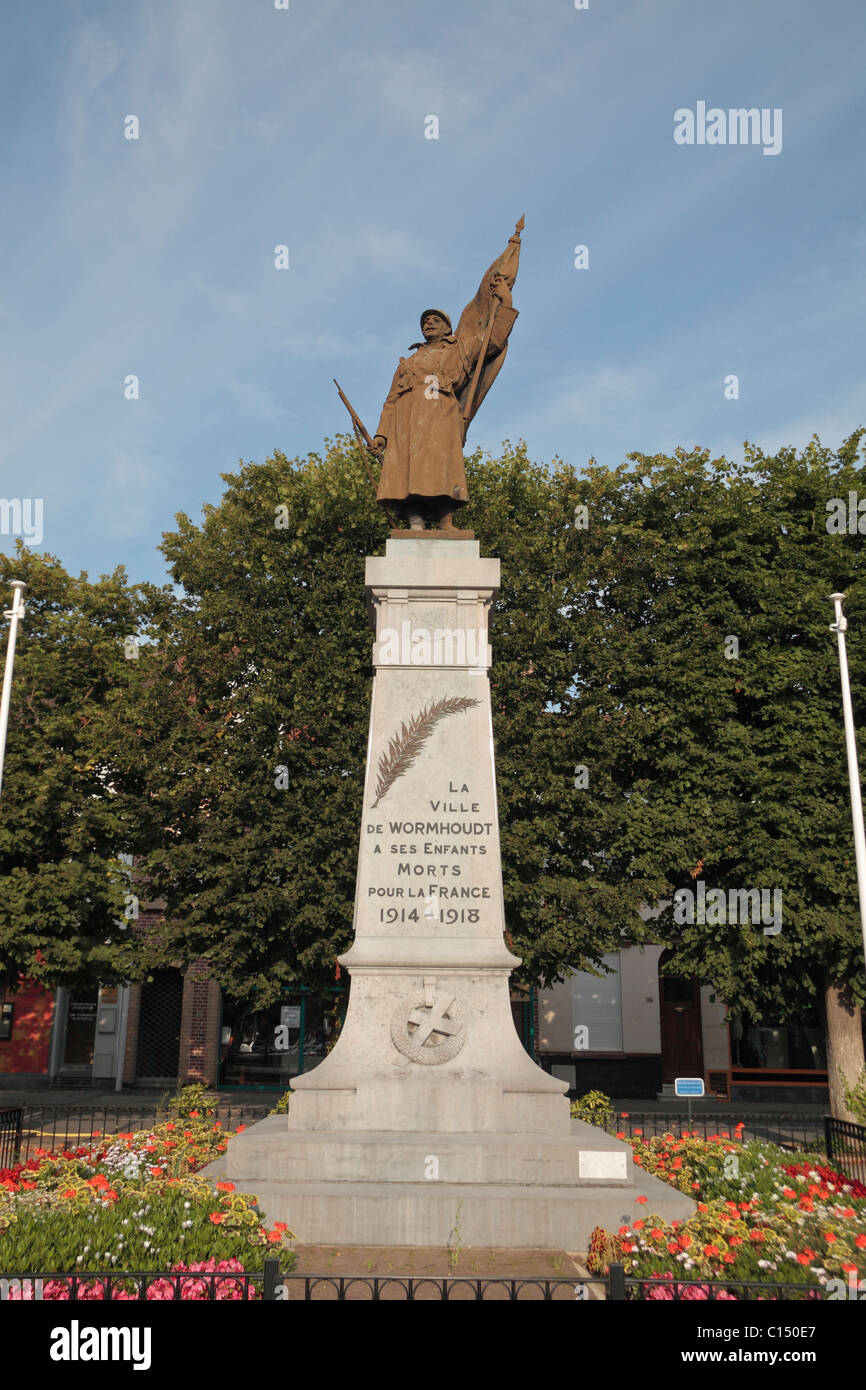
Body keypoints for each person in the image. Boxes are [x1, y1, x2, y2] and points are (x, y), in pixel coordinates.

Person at [372, 224, 522, 530]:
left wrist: (504, 300)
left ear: (447, 328)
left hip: (442, 415)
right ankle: (414, 517)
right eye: (426, 320)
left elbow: (491, 341)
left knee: (443, 465)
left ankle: (445, 519)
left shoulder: (459, 350)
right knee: (408, 469)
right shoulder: (408, 362)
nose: (429, 322)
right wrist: (381, 435)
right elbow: (391, 400)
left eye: (435, 320)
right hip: (408, 418)